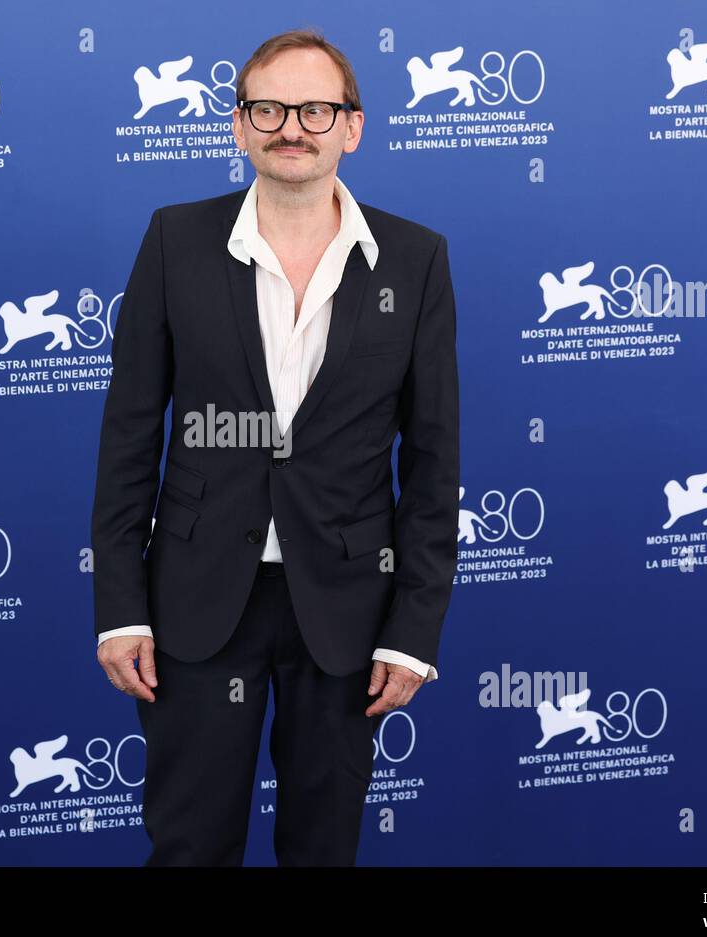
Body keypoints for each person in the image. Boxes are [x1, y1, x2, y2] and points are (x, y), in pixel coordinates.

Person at [90, 28, 459, 865]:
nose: (292, 126)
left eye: (316, 109)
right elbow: (128, 437)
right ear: (239, 124)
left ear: (352, 127)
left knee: (323, 849)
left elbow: (436, 463)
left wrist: (413, 631)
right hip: (195, 602)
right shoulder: (174, 241)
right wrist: (120, 606)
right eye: (269, 107)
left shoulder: (416, 259)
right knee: (190, 846)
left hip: (349, 608)